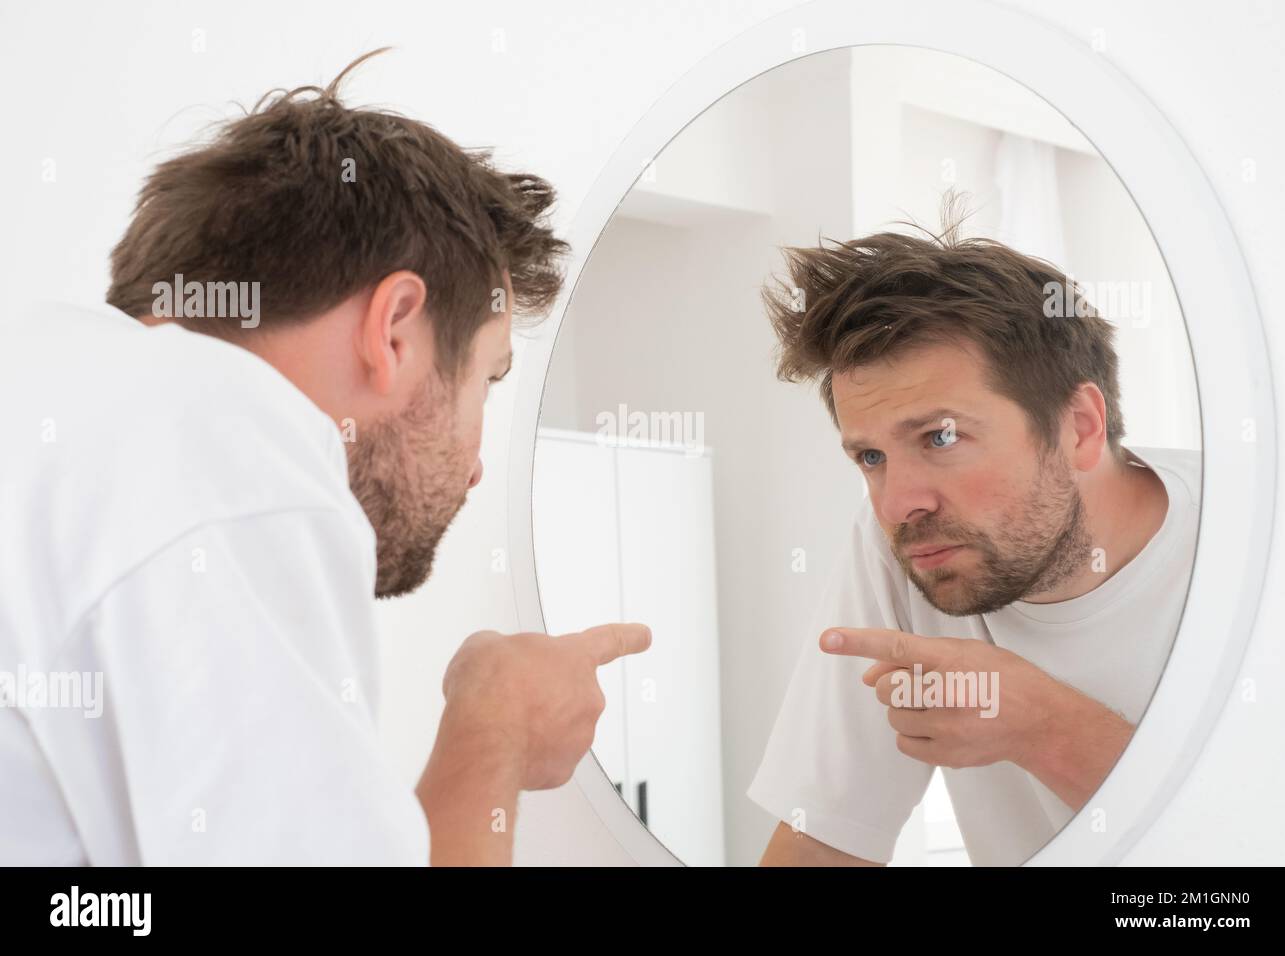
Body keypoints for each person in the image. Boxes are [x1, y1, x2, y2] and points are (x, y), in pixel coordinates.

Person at [0, 50, 648, 865]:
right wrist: (497, 728)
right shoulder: (229, 451)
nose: (476, 467)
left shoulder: (47, 389)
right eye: (485, 379)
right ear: (395, 329)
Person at [748, 220, 1200, 866]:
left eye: (940, 438)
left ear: (1079, 428)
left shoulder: (1256, 536)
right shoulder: (902, 546)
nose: (899, 503)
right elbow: (821, 841)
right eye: (871, 456)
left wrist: (1042, 724)